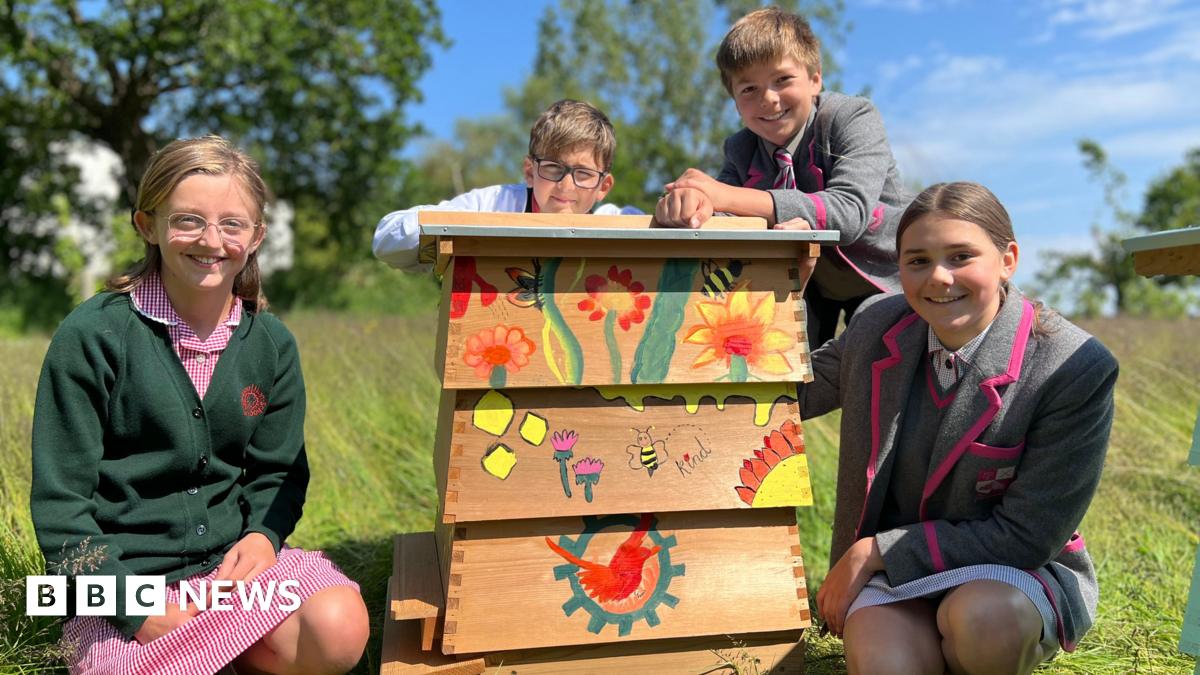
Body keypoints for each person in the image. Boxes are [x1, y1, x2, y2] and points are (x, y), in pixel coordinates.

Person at [30, 135, 369, 675]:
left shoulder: (271, 344)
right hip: (119, 584)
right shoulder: (92, 335)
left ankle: (235, 653)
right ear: (148, 225)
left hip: (230, 573)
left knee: (337, 624)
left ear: (256, 236)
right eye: (188, 220)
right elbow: (60, 506)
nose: (211, 240)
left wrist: (263, 534)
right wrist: (132, 608)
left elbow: (277, 472)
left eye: (232, 224)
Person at [796, 182, 1117, 674]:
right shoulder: (874, 327)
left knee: (984, 622)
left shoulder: (1073, 366)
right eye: (918, 261)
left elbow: (1027, 536)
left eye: (961, 256)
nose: (939, 279)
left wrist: (877, 550)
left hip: (1011, 572)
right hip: (897, 578)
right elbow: (789, 394)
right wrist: (781, 293)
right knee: (886, 663)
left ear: (1008, 258)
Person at [655, 6, 909, 348]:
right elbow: (723, 215)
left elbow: (848, 212)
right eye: (749, 89)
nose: (769, 99)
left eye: (782, 80)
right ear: (734, 100)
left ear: (815, 78)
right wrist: (692, 203)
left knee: (875, 361)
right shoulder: (740, 149)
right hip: (808, 281)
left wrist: (723, 195)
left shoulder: (851, 117)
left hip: (884, 274)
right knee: (785, 370)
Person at [373, 98, 642, 271]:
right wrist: (466, 227)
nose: (566, 186)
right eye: (553, 168)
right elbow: (386, 242)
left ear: (603, 186)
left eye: (583, 174)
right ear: (529, 171)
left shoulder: (617, 222)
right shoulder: (494, 204)